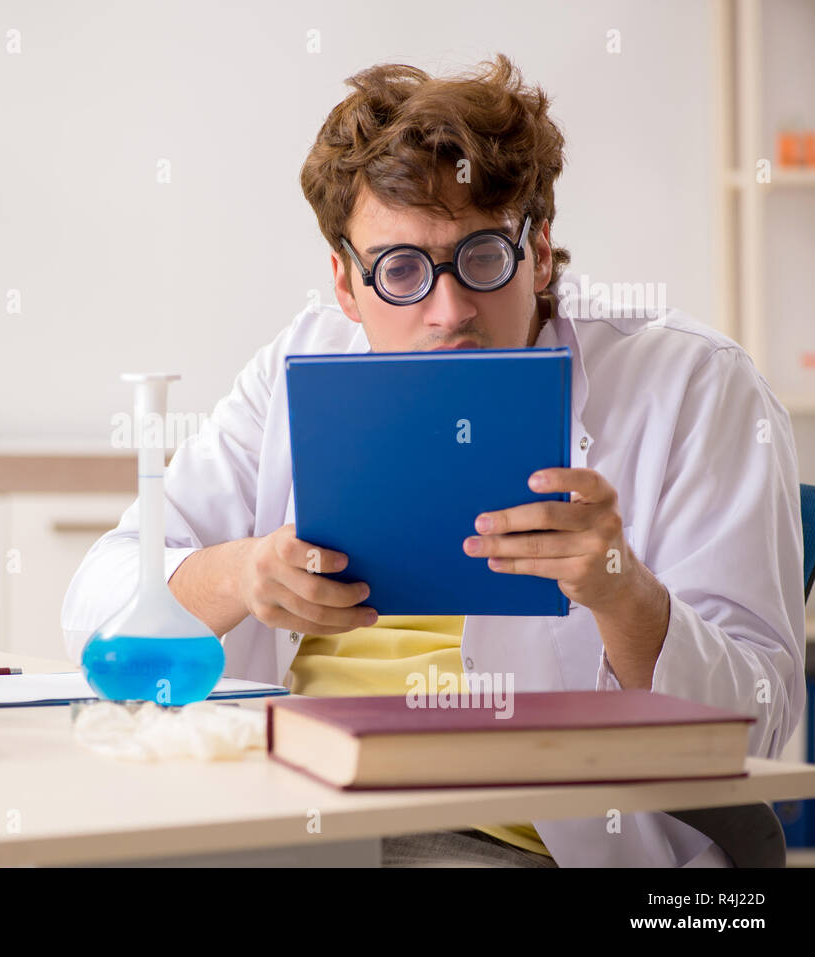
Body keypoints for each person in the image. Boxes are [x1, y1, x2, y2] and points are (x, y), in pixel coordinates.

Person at [62, 54, 805, 867]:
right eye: (402, 271)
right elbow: (98, 598)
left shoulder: (695, 385)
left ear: (540, 250)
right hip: (279, 811)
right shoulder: (295, 369)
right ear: (345, 285)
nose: (450, 313)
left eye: (483, 256)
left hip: (495, 837)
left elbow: (761, 721)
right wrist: (240, 575)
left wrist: (621, 591)